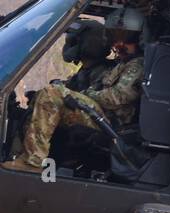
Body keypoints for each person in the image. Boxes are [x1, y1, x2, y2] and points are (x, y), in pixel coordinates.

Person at [3, 8, 146, 174]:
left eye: (126, 38)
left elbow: (116, 97)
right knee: (44, 97)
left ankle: (33, 162)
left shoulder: (137, 65)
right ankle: (18, 156)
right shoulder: (121, 64)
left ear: (139, 38)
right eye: (115, 36)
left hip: (110, 121)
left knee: (52, 94)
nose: (119, 44)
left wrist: (83, 96)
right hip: (101, 114)